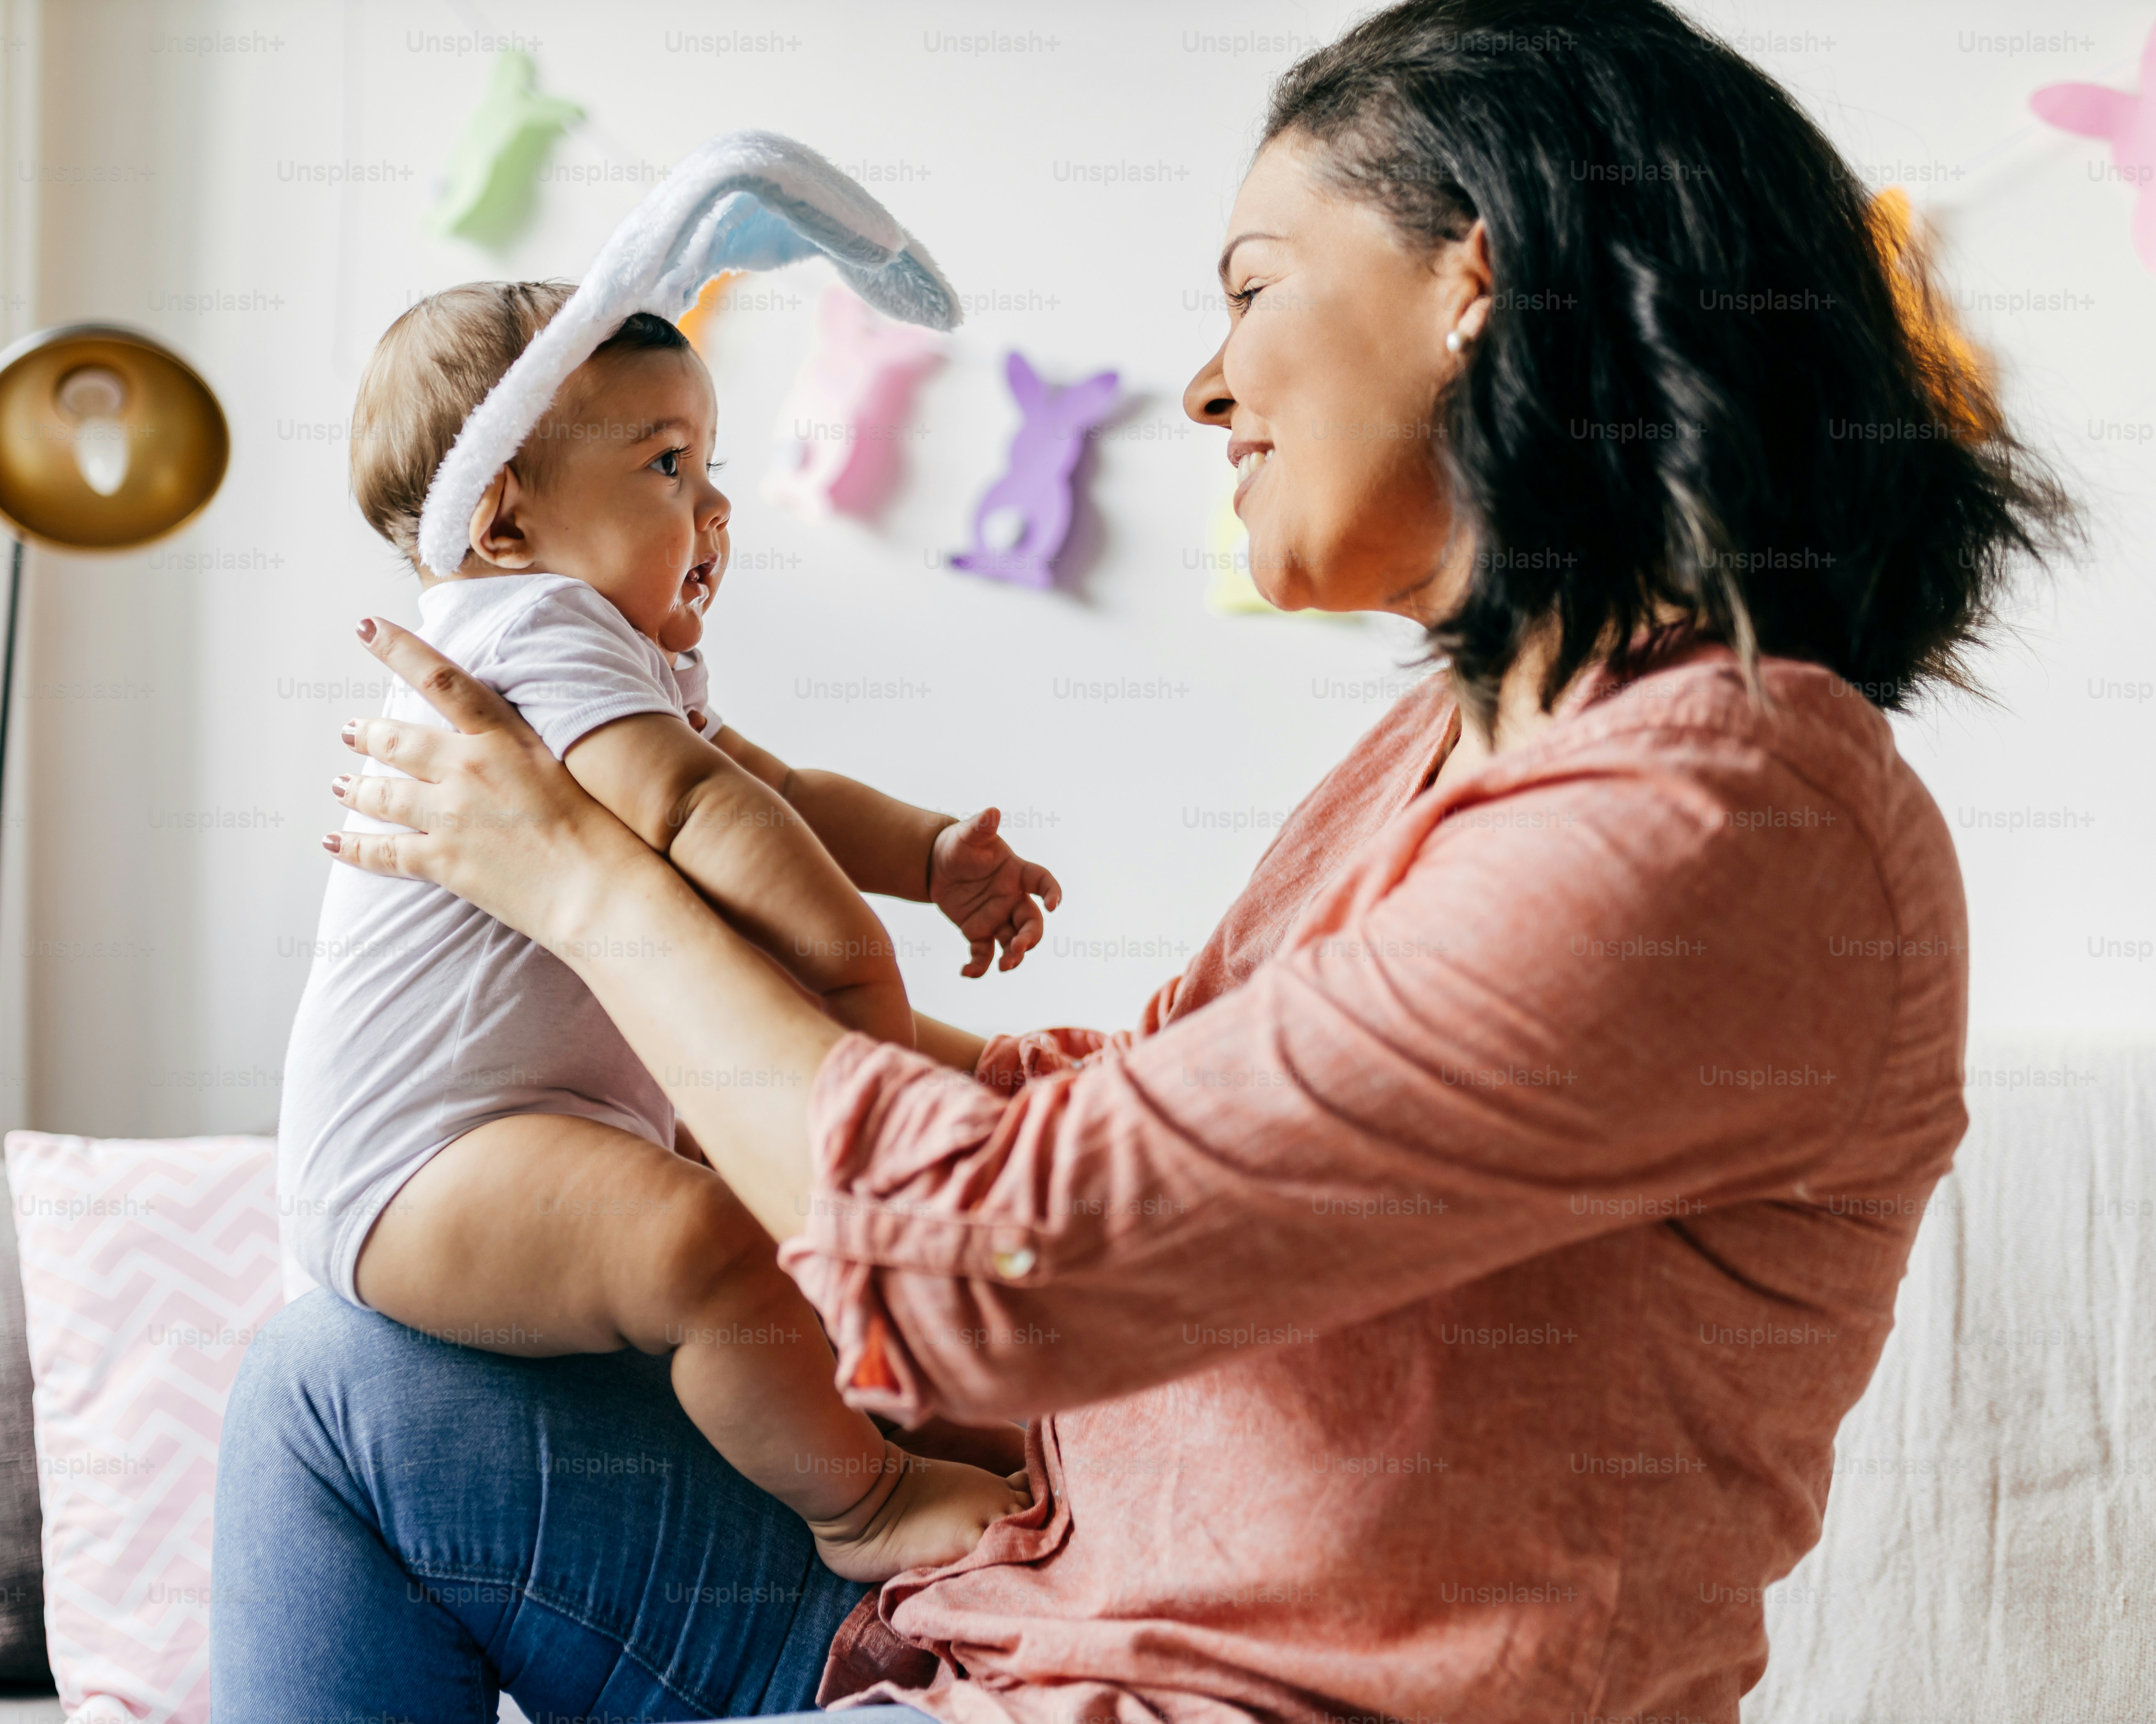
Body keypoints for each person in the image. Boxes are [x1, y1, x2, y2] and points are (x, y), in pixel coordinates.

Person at [215, 1, 2072, 1719]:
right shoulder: (1458, 738)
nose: (1206, 386)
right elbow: (1139, 1122)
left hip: (1212, 1682)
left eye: (1255, 287)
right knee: (330, 1384)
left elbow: (1014, 1262)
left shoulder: (1719, 815)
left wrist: (575, 879)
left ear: (1473, 284)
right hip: (1029, 1584)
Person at [275, 281, 1061, 1582]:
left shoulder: (605, 651)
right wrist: (847, 951)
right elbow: (696, 805)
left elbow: (772, 792)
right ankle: (858, 1505)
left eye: (712, 466)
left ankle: (900, 1442)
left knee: (740, 1240)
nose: (713, 509)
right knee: (714, 1251)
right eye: (664, 464)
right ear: (504, 512)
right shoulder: (528, 625)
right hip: (417, 1164)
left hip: (504, 1138)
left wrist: (928, 853)